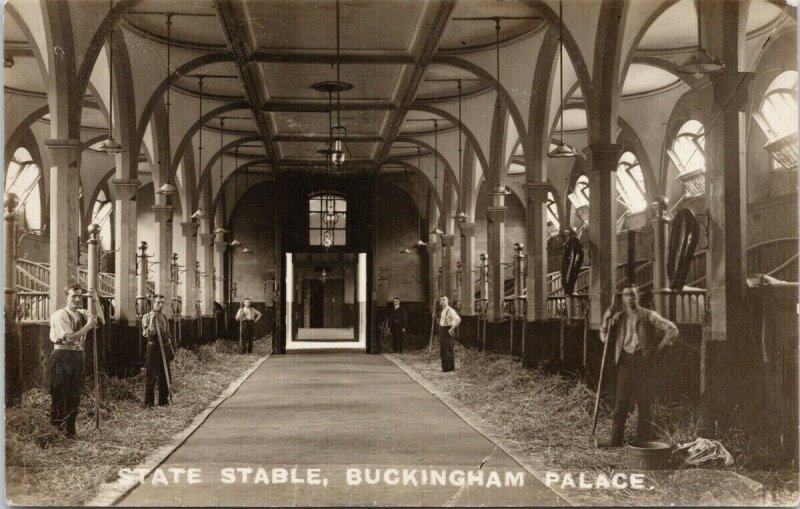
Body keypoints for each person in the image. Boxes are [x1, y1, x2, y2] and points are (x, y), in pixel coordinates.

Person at [598, 286, 679, 447]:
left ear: (637, 297)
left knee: (644, 404)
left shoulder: (649, 316)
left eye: (633, 295)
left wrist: (658, 349)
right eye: (627, 295)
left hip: (643, 364)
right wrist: (606, 319)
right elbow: (604, 339)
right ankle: (615, 441)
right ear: (623, 299)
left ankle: (643, 443)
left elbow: (672, 330)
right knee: (621, 404)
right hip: (625, 364)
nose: (630, 298)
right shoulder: (619, 317)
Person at [48, 284, 98, 437]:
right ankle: (55, 431)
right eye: (73, 296)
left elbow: (99, 320)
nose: (77, 299)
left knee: (75, 394)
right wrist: (88, 326)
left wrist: (95, 301)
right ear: (66, 298)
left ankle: (70, 431)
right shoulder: (60, 315)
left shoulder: (81, 313)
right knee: (60, 393)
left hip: (77, 356)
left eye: (80, 296)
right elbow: (69, 338)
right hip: (62, 357)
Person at [142, 294, 175, 407]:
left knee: (165, 375)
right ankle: (149, 403)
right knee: (151, 375)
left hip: (164, 348)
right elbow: (149, 332)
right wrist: (152, 319)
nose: (160, 305)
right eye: (158, 303)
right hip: (153, 347)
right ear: (153, 303)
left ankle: (163, 401)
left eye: (162, 303)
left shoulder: (164, 317)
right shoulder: (146, 317)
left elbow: (168, 335)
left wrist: (170, 350)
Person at [437, 296, 461, 372]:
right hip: (442, 330)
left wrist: (452, 329)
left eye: (444, 300)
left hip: (447, 330)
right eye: (441, 300)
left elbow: (458, 319)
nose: (442, 301)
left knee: (448, 349)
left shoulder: (450, 310)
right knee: (443, 350)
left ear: (447, 301)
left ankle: (450, 368)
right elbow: (442, 322)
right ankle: (445, 368)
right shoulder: (443, 311)